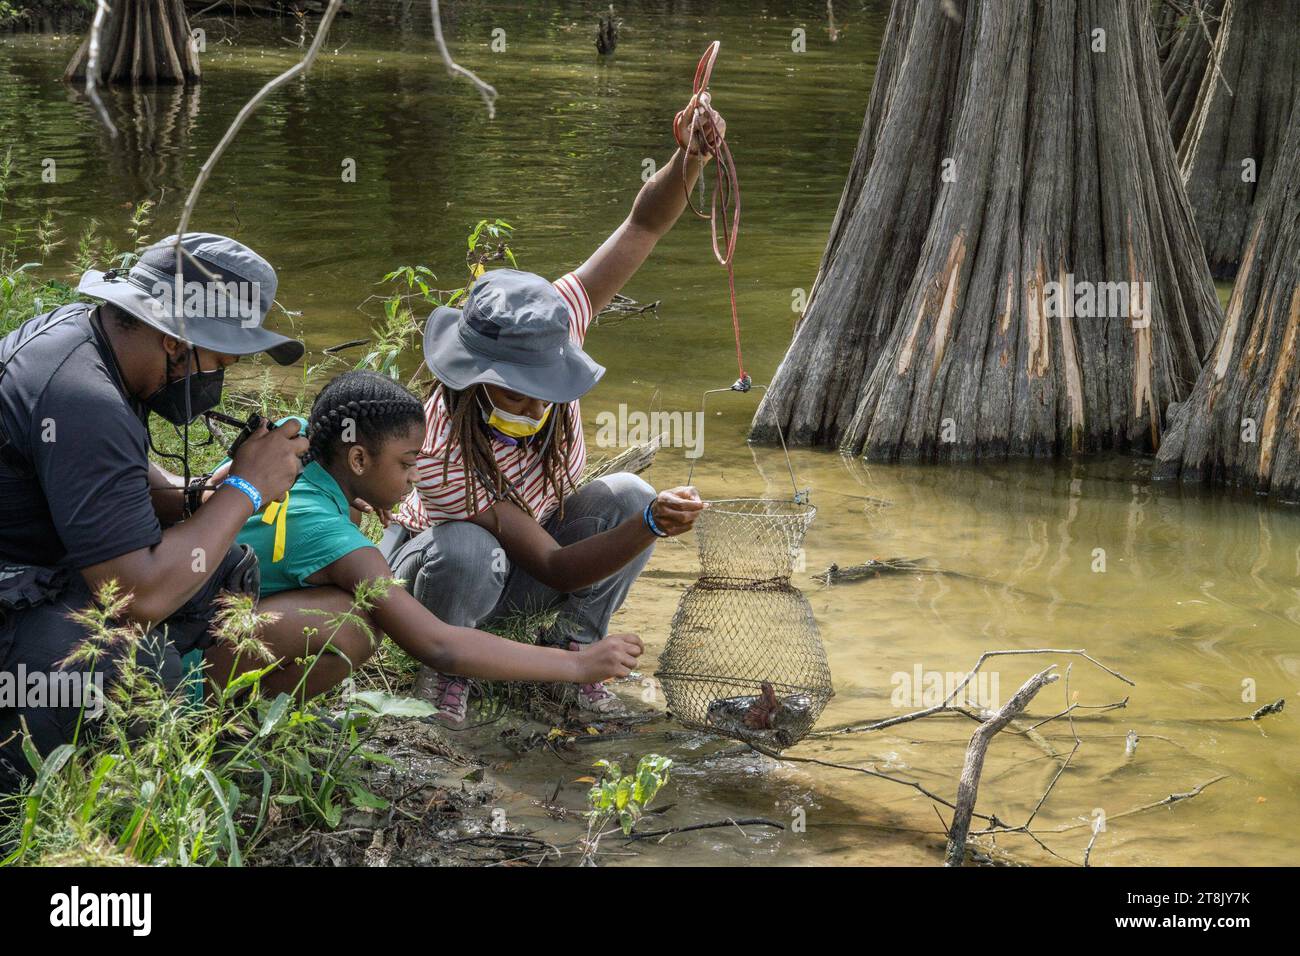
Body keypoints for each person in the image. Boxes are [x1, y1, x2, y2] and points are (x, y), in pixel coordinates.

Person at [382, 93, 726, 719]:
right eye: (514, 384)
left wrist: (688, 159)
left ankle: (575, 649)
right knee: (467, 552)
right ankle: (447, 669)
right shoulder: (439, 449)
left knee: (626, 493)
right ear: (473, 377)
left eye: (543, 377)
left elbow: (642, 226)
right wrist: (651, 529)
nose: (535, 394)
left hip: (523, 551)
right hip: (437, 574)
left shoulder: (555, 318)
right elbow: (557, 566)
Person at [0, 233, 310, 792]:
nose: (218, 380)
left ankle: (175, 723)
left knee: (222, 569)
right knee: (134, 664)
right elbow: (133, 596)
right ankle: (35, 774)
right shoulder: (83, 395)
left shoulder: (91, 342)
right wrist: (245, 487)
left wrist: (199, 495)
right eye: (219, 361)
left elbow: (110, 480)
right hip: (15, 592)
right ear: (175, 341)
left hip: (34, 565)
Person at [206, 370, 643, 699]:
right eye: (406, 462)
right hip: (188, 674)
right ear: (357, 459)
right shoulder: (332, 539)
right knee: (355, 623)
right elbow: (440, 645)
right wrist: (579, 664)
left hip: (195, 624)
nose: (416, 476)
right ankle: (233, 718)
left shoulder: (293, 446)